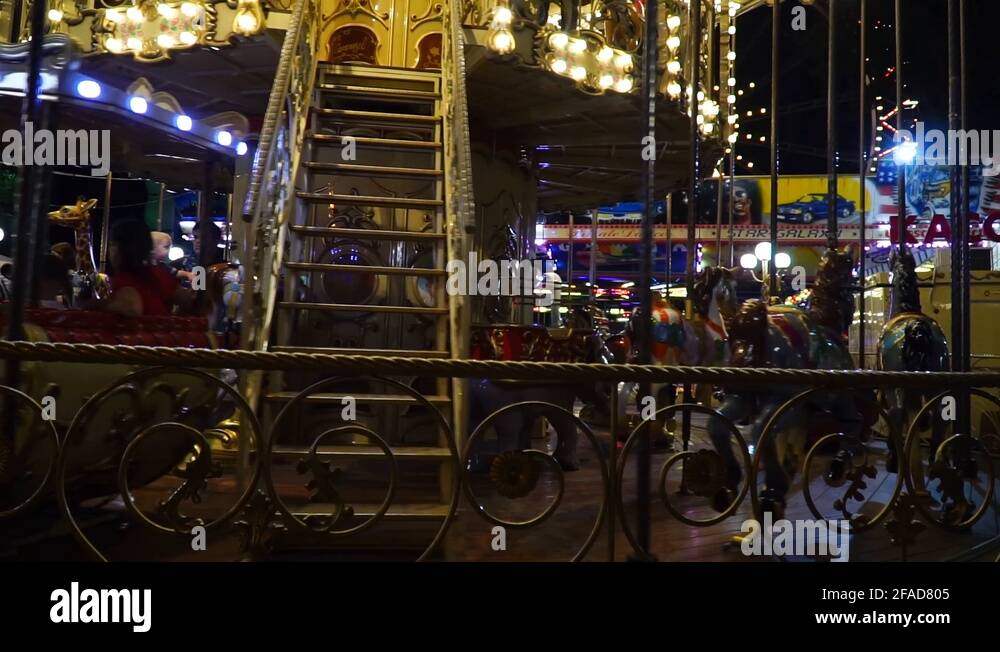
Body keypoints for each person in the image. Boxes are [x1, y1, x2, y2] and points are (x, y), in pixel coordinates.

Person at [90, 220, 186, 317]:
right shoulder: (162, 276)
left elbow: (132, 307)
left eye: (112, 244)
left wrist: (95, 304)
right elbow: (187, 299)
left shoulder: (124, 280)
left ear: (119, 248)